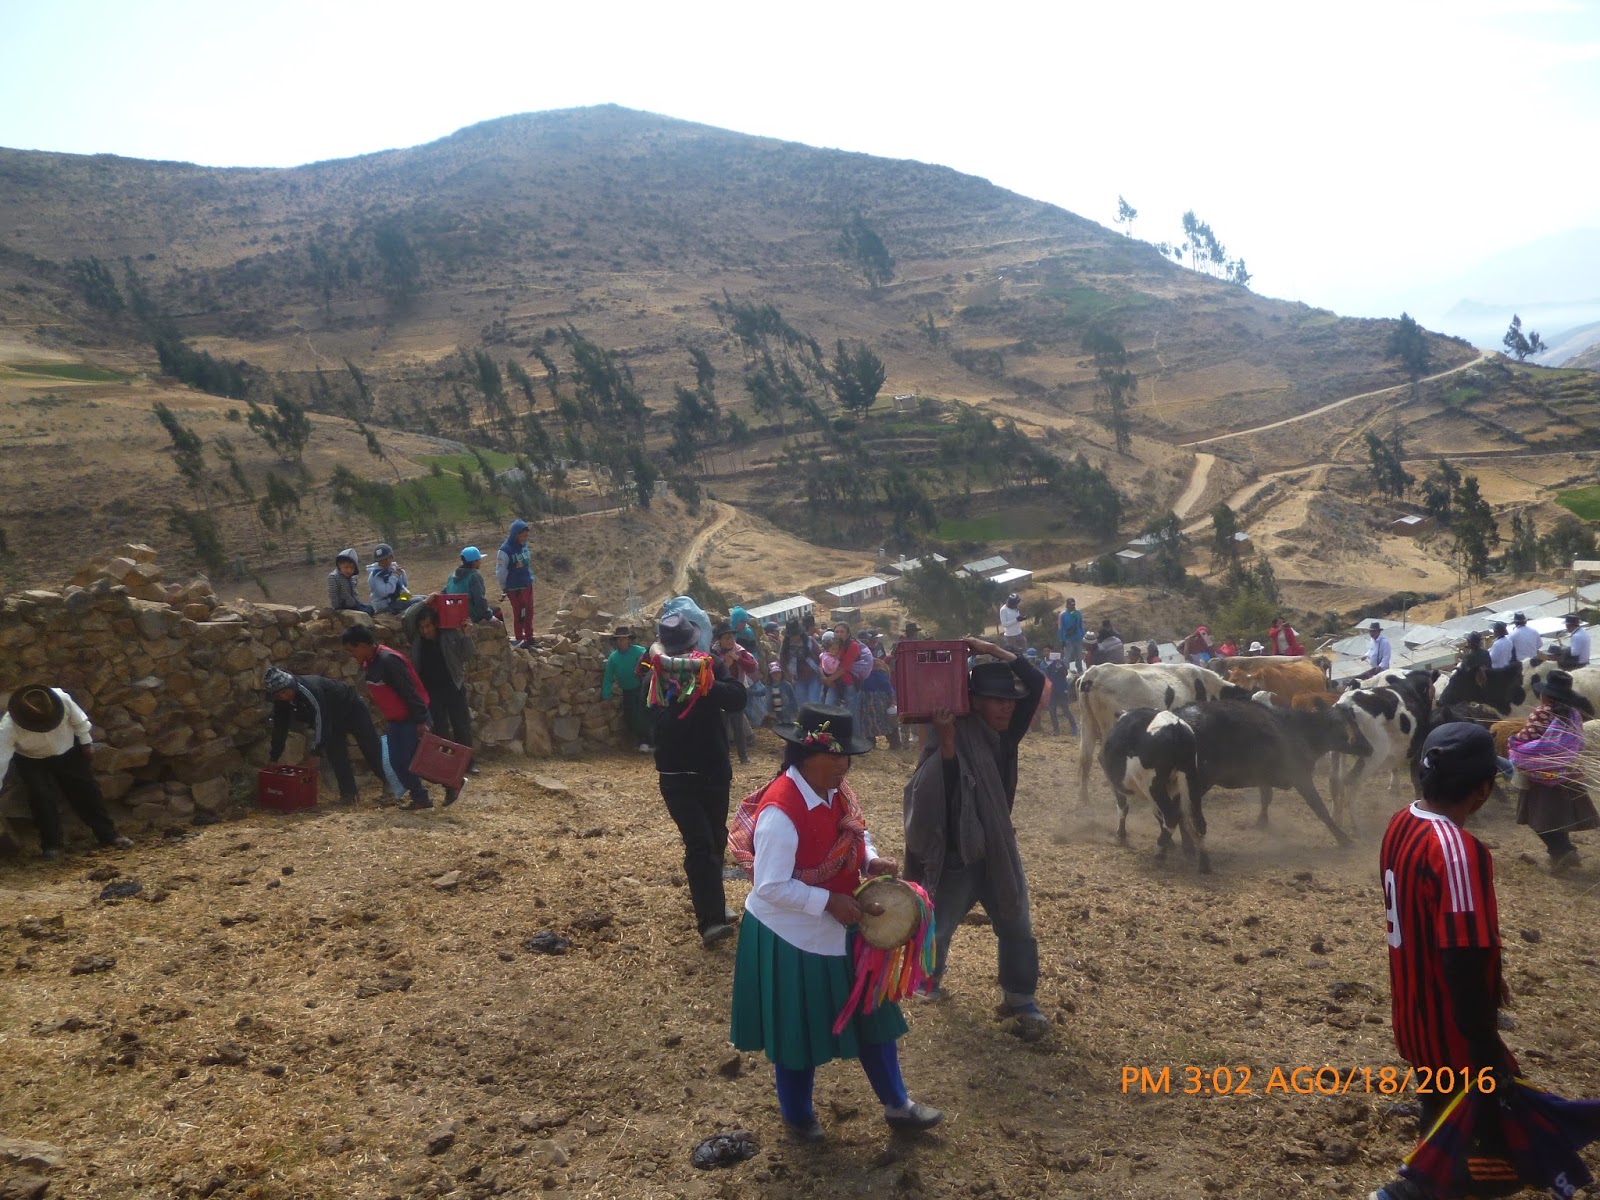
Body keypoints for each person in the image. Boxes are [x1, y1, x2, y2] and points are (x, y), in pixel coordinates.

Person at [729, 703, 943, 1142]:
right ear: (803, 756)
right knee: (796, 1029)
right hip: (790, 934)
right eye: (835, 757)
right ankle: (798, 1115)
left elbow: (854, 835)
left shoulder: (837, 792)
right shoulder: (780, 812)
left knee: (874, 1016)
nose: (843, 766)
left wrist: (870, 860)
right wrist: (828, 901)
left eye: (848, 757)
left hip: (840, 923)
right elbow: (769, 886)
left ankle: (898, 1105)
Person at [1366, 722, 1517, 1200]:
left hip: (1413, 1012)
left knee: (1441, 1107)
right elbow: (1463, 956)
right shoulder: (1457, 852)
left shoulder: (1401, 822)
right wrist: (1484, 1043)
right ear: (1482, 791)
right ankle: (1416, 1188)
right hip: (1450, 1025)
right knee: (1473, 1140)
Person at [903, 637, 1048, 1040]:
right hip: (956, 851)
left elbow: (1034, 684)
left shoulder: (1005, 735)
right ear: (973, 701)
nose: (1008, 706)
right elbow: (936, 795)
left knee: (1016, 920)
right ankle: (929, 978)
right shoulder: (950, 731)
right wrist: (947, 743)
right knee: (940, 922)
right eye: (996, 698)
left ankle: (1019, 996)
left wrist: (990, 649)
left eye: (1010, 700)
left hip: (998, 847)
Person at [648, 613, 749, 947]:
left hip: (713, 770)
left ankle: (714, 902)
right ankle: (710, 921)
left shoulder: (708, 665)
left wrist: (707, 683)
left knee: (716, 839)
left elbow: (737, 698)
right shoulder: (655, 671)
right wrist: (674, 682)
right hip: (677, 775)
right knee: (700, 844)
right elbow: (654, 716)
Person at [0, 685, 133, 860]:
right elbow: (1, 760)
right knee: (41, 797)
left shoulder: (61, 698)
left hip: (69, 751)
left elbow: (79, 722)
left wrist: (86, 743)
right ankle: (52, 846)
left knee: (86, 791)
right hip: (32, 760)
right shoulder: (8, 727)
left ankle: (109, 835)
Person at [1508, 669, 1596, 872]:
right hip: (1568, 771)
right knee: (1557, 818)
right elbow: (1576, 741)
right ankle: (1564, 851)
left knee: (1540, 819)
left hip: (1543, 775)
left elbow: (1526, 739)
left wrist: (1515, 744)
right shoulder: (1573, 714)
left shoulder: (1542, 712)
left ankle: (1562, 851)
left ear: (1547, 694)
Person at [340, 626, 434, 811]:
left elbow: (409, 692)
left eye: (353, 650)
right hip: (396, 720)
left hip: (410, 718)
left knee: (409, 761)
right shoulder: (371, 662)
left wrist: (421, 721)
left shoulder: (388, 660)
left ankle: (449, 785)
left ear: (364, 645)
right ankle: (420, 798)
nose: (352, 655)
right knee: (398, 762)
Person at [267, 665, 388, 806]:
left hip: (351, 709)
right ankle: (349, 795)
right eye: (279, 695)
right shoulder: (282, 702)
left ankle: (390, 784)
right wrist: (274, 757)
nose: (283, 697)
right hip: (331, 720)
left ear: (291, 686)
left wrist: (316, 752)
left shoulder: (309, 689)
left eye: (285, 692)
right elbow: (280, 727)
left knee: (370, 747)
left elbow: (320, 719)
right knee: (336, 755)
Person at [402, 599, 474, 802]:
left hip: (453, 686)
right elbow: (407, 617)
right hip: (430, 691)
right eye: (422, 627)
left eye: (428, 626)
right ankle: (449, 769)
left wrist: (467, 636)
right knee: (441, 731)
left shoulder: (450, 634)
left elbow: (467, 655)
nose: (425, 631)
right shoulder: (416, 640)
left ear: (435, 624)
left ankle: (468, 764)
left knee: (462, 726)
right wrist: (426, 601)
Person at [713, 622, 758, 765]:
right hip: (720, 692)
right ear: (719, 640)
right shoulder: (713, 654)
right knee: (721, 726)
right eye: (726, 638)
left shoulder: (740, 651)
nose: (730, 641)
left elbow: (752, 666)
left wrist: (737, 658)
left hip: (736, 692)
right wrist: (724, 665)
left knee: (738, 725)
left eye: (732, 637)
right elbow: (711, 673)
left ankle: (743, 757)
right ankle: (724, 757)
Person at [602, 625, 650, 753]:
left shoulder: (640, 652)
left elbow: (650, 666)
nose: (621, 641)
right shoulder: (613, 657)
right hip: (627, 690)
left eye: (624, 639)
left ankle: (646, 741)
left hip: (642, 688)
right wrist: (606, 696)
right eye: (618, 639)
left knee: (643, 714)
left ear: (629, 640)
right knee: (630, 716)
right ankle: (638, 741)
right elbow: (608, 677)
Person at [857, 631, 901, 750]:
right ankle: (871, 747)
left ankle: (895, 745)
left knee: (887, 723)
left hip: (878, 698)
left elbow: (885, 683)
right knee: (870, 724)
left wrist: (892, 699)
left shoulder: (877, 665)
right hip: (866, 697)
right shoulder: (859, 664)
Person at [495, 520, 535, 648]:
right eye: (522, 535)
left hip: (527, 584)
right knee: (520, 615)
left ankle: (530, 638)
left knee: (529, 613)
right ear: (515, 534)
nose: (524, 538)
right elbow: (501, 571)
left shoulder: (523, 546)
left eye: (526, 535)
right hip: (516, 588)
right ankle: (520, 640)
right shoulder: (505, 550)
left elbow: (526, 563)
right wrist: (504, 587)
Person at [443, 546, 496, 625]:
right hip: (471, 616)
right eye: (479, 560)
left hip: (455, 615)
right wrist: (490, 617)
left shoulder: (451, 576)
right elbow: (480, 600)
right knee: (497, 611)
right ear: (474, 561)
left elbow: (444, 593)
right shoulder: (474, 576)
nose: (480, 562)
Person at [779, 620, 821, 713]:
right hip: (798, 679)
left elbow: (820, 656)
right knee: (802, 705)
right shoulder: (785, 646)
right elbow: (782, 663)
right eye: (792, 635)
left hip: (813, 676)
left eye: (796, 634)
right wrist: (787, 676)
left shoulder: (810, 641)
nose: (794, 637)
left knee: (814, 703)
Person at [367, 544, 410, 616]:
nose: (386, 561)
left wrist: (402, 574)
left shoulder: (392, 568)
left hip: (398, 597)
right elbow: (385, 592)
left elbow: (404, 584)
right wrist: (394, 576)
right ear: (378, 561)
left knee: (424, 597)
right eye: (382, 560)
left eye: (388, 558)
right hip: (386, 603)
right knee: (419, 601)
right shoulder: (375, 575)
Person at [1041, 650, 1078, 736]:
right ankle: (1056, 730)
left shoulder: (1060, 662)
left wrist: (1059, 665)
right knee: (1052, 711)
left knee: (1065, 710)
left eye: (1048, 651)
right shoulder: (1043, 664)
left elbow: (1065, 673)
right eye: (1045, 651)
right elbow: (1045, 675)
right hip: (1051, 691)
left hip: (1061, 689)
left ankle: (1074, 726)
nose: (1047, 653)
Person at [327, 548, 373, 615]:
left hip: (353, 603)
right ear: (339, 566)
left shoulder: (353, 577)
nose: (349, 570)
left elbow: (354, 591)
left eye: (352, 568)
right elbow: (333, 594)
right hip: (342, 606)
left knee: (371, 608)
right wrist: (337, 610)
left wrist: (356, 602)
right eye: (346, 567)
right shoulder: (334, 577)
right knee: (367, 612)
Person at [1057, 599, 1085, 673]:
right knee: (1067, 657)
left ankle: (1080, 671)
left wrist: (1083, 636)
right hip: (1068, 639)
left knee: (1079, 656)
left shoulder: (1078, 613)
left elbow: (1081, 625)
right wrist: (1061, 640)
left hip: (1078, 638)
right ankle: (1066, 672)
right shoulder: (1063, 615)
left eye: (1073, 604)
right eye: (1071, 604)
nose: (1072, 606)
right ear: (1067, 605)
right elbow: (1060, 628)